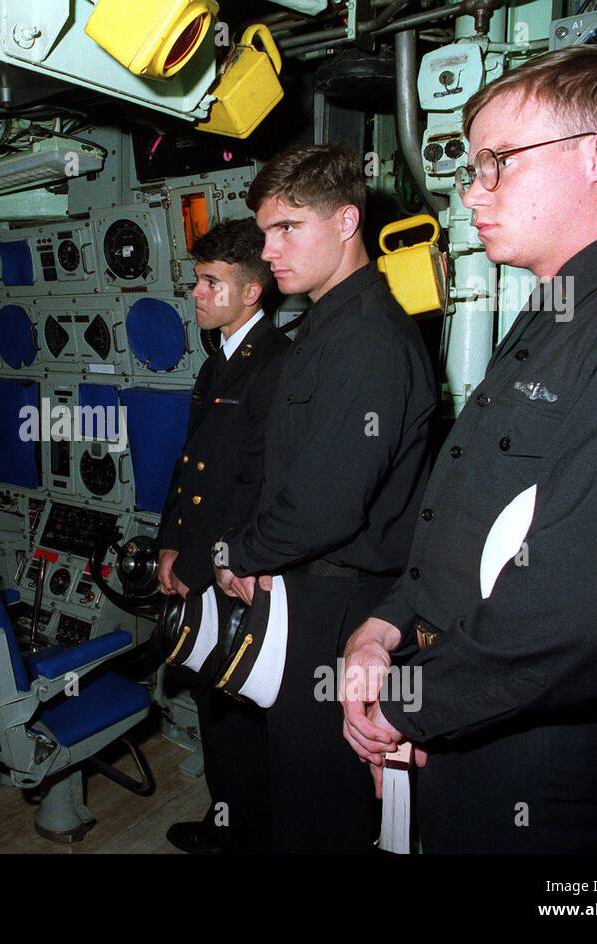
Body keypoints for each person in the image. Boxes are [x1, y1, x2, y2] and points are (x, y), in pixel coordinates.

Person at [341, 44, 597, 853]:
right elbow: (472, 507)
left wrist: (407, 704)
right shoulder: (559, 312)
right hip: (471, 718)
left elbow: (578, 601)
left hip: (553, 766)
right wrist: (388, 623)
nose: (470, 192)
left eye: (495, 165)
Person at [211, 143, 437, 853]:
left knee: (321, 807)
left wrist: (240, 553)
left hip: (343, 606)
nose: (269, 250)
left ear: (346, 221)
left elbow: (327, 504)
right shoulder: (326, 323)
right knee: (299, 789)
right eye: (265, 231)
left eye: (288, 229)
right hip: (310, 592)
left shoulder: (367, 339)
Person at [156, 218, 289, 853]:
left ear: (252, 292)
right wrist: (167, 543)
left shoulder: (275, 367)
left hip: (235, 570)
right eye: (198, 280)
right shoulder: (219, 363)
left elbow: (254, 485)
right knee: (216, 706)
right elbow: (193, 466)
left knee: (239, 711)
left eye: (212, 283)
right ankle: (227, 819)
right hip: (202, 561)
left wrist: (202, 564)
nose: (198, 294)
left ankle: (246, 833)